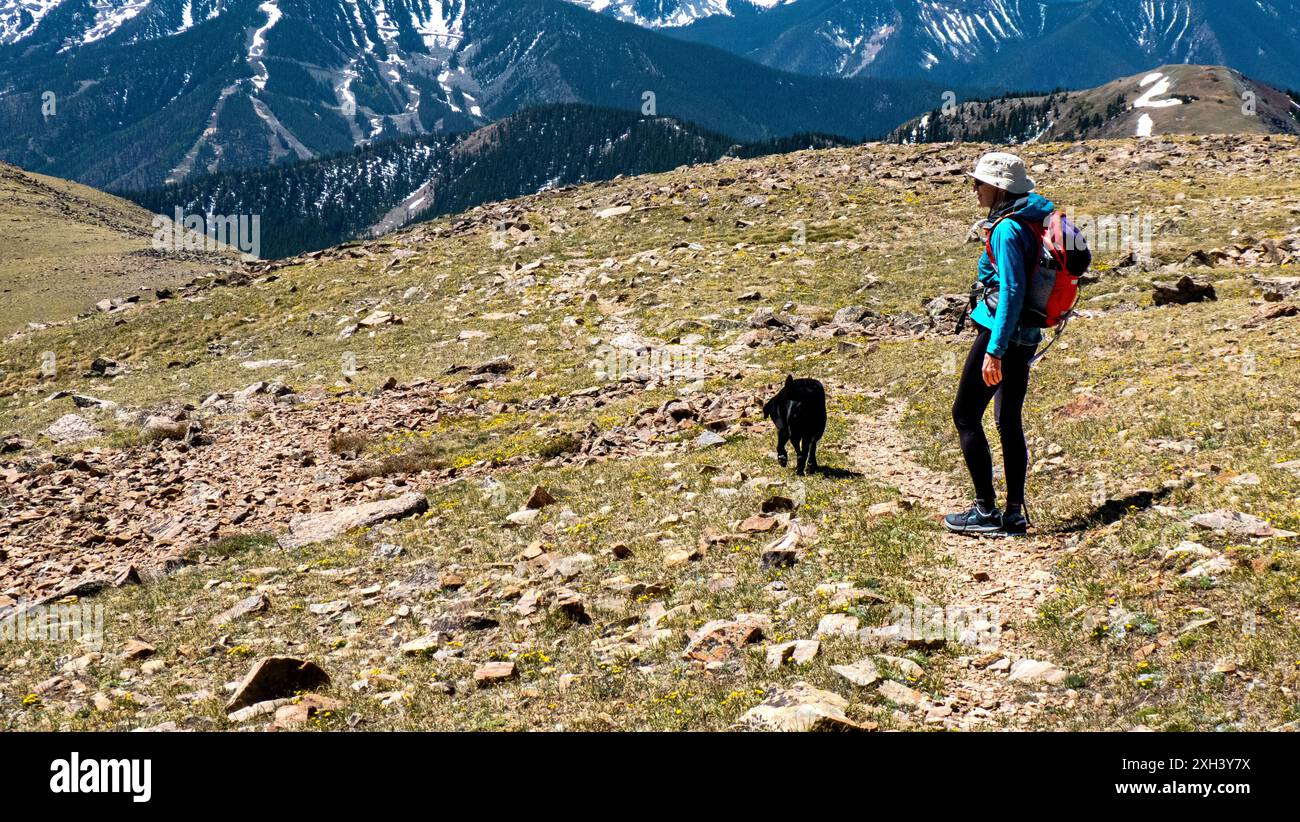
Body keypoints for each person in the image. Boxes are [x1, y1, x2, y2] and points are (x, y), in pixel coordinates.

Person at [944, 151, 1051, 537]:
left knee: (965, 415)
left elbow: (1011, 291)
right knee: (1008, 421)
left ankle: (985, 511)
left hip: (1001, 335)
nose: (974, 188)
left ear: (999, 187)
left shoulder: (1007, 229)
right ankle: (1014, 512)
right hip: (1026, 336)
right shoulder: (1030, 220)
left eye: (979, 182)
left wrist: (995, 350)